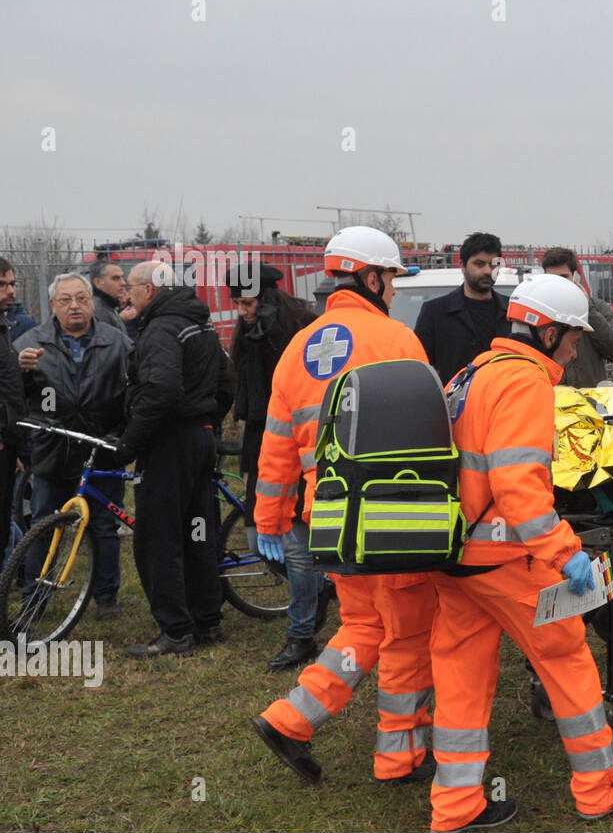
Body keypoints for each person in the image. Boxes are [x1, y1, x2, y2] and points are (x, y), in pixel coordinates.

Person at [428, 273, 613, 832]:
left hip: (456, 557)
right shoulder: (524, 383)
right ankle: (601, 787)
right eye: (574, 337)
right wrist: (564, 553)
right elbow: (517, 487)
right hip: (507, 559)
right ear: (548, 332)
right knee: (567, 661)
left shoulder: (470, 372)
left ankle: (456, 808)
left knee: (461, 676)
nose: (578, 347)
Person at [252, 226, 438, 786]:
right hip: (392, 518)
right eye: (393, 281)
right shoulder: (397, 341)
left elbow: (277, 442)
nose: (394, 292)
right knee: (407, 635)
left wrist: (268, 519)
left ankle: (290, 719)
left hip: (328, 520)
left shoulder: (297, 347)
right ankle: (399, 757)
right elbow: (431, 436)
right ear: (374, 278)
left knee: (361, 625)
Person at [117, 261, 234, 658]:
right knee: (199, 531)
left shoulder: (162, 328)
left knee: (157, 539)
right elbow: (226, 381)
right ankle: (207, 621)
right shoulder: (199, 322)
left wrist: (130, 443)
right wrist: (208, 423)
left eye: (130, 287)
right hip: (200, 439)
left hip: (168, 445)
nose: (125, 294)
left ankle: (175, 632)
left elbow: (162, 391)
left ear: (149, 290)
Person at [14, 273, 131, 617]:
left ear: (92, 301)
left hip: (103, 448)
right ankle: (35, 598)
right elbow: (14, 400)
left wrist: (123, 435)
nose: (75, 305)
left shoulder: (117, 342)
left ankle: (106, 597)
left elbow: (134, 394)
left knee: (104, 526)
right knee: (43, 525)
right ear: (53, 305)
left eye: (81, 298)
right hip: (53, 450)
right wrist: (21, 373)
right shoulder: (29, 344)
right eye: (65, 300)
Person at [226, 261, 325, 669]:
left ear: (267, 298)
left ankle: (302, 631)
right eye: (237, 304)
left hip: (298, 438)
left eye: (249, 303)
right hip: (260, 435)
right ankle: (318, 588)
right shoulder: (247, 332)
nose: (243, 311)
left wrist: (274, 337)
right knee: (258, 540)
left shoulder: (301, 326)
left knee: (297, 547)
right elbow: (247, 394)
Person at [413, 232, 510, 384]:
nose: (487, 271)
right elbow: (420, 369)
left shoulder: (513, 312)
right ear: (462, 267)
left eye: (493, 264)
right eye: (479, 264)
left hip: (505, 402)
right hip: (451, 405)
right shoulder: (435, 312)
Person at [543, 247, 613, 388]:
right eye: (553, 278)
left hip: (591, 399)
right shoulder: (538, 310)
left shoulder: (598, 308)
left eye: (564, 277)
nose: (559, 284)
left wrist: (587, 307)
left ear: (575, 277)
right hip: (553, 398)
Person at [0, 257, 30, 537]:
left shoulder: (4, 328)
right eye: (2, 285)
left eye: (12, 284)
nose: (11, 291)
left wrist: (18, 365)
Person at [88, 260, 128, 334]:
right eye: (116, 278)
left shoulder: (108, 306)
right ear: (98, 282)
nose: (123, 283)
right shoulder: (98, 312)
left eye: (122, 278)